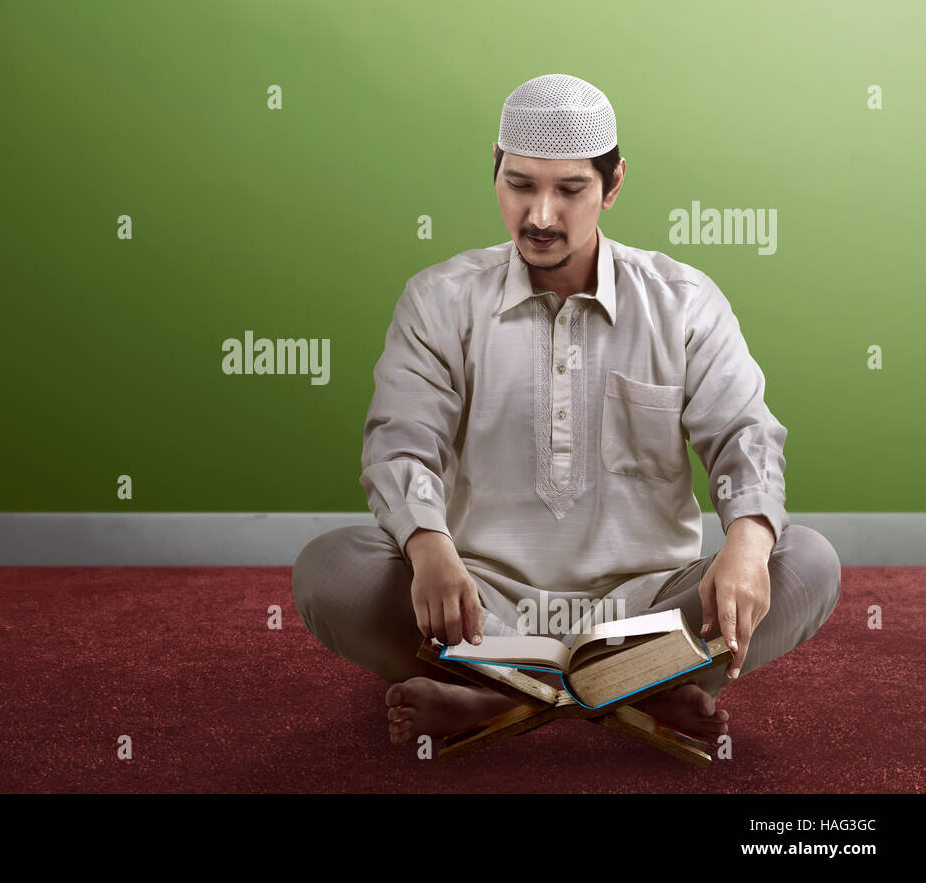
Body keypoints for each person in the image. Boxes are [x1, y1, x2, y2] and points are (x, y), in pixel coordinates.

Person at [292, 73, 840, 748]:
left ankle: (500, 700)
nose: (540, 215)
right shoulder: (440, 299)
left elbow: (743, 437)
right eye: (519, 184)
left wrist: (748, 544)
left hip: (648, 610)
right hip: (480, 609)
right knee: (330, 568)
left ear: (613, 186)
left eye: (570, 190)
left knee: (806, 559)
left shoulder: (683, 301)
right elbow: (401, 444)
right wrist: (430, 548)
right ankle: (641, 695)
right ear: (495, 170)